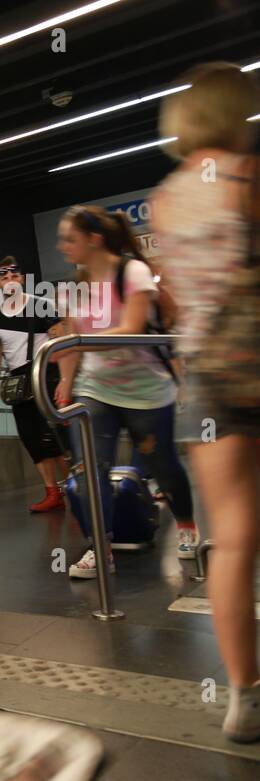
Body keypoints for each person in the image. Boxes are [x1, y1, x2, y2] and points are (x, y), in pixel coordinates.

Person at [152, 61, 260, 742]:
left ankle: (244, 695)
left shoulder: (164, 199)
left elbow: (175, 300)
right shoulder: (250, 178)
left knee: (230, 535)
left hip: (204, 377)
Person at [54, 205, 199, 580]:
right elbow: (71, 343)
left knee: (162, 466)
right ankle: (101, 549)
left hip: (146, 389)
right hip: (96, 388)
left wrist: (80, 343)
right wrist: (66, 380)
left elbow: (132, 327)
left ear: (93, 240)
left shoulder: (132, 271)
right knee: (89, 468)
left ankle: (187, 526)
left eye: (69, 239)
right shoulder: (79, 286)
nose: (62, 246)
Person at [0, 256, 68, 513]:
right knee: (31, 438)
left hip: (47, 374)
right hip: (19, 382)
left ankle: (76, 487)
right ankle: (52, 492)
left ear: (22, 279)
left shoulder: (42, 306)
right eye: (4, 276)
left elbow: (63, 344)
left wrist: (65, 380)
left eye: (14, 275)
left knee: (55, 437)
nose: (10, 279)